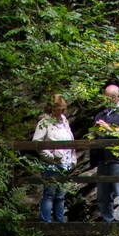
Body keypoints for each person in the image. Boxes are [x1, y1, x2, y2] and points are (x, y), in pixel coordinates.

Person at [90, 83, 119, 223]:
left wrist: (108, 128)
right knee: (103, 195)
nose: (108, 99)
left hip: (118, 159)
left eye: (111, 96)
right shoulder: (100, 115)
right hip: (102, 159)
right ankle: (108, 223)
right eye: (106, 96)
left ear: (118, 96)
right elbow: (93, 136)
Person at [32, 95, 76, 223]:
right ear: (51, 109)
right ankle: (46, 222)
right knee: (49, 194)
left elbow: (71, 141)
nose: (59, 112)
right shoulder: (44, 123)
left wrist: (73, 159)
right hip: (51, 164)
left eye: (62, 110)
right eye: (57, 109)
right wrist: (50, 157)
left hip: (65, 164)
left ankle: (60, 222)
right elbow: (37, 143)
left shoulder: (65, 122)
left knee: (61, 195)